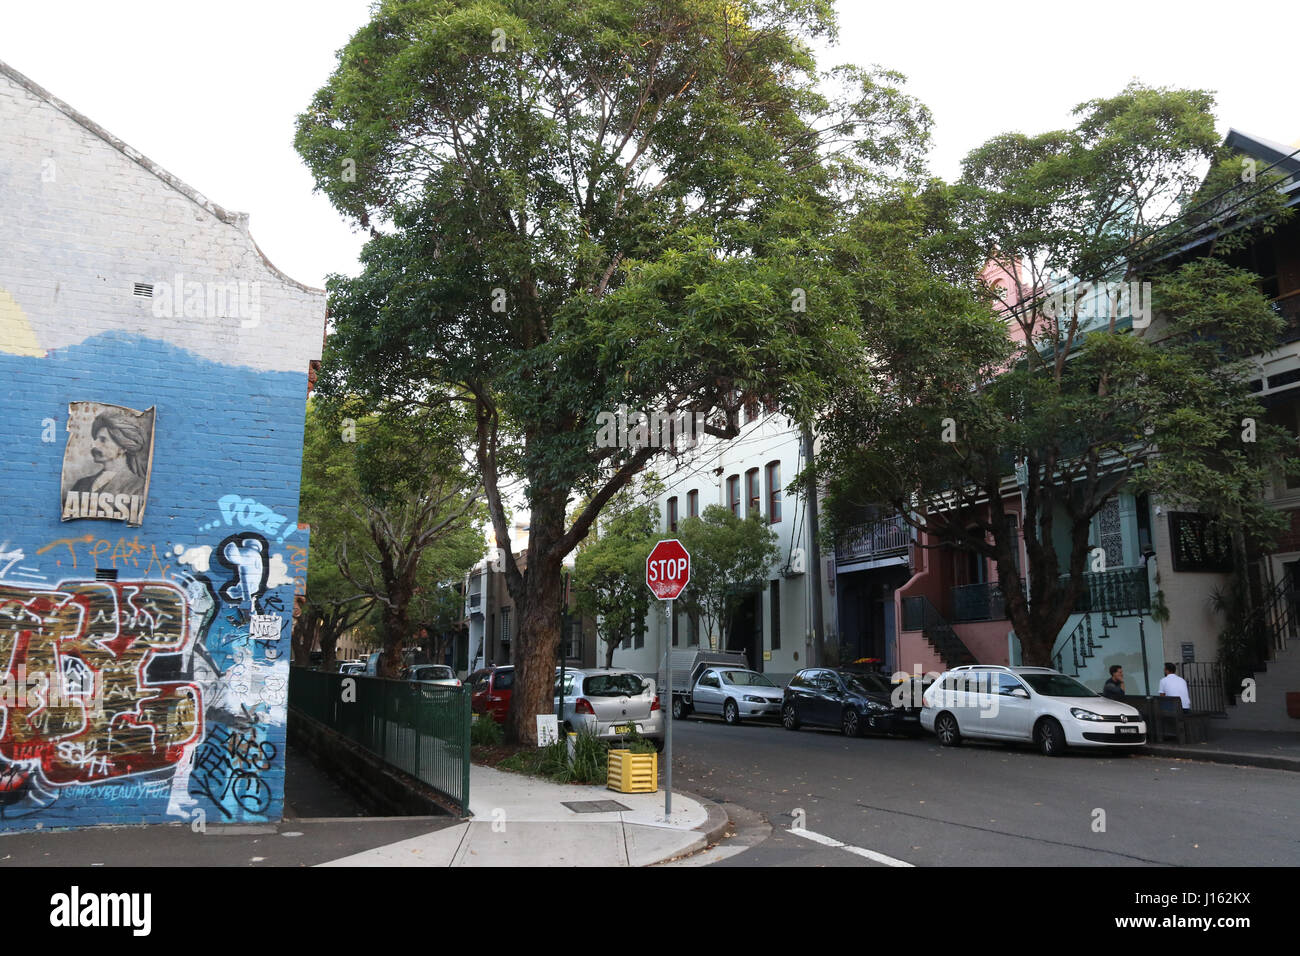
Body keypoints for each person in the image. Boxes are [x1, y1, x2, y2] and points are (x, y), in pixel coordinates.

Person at [72, 408, 150, 497]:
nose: (94, 446)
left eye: (103, 440)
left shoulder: (138, 487)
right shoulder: (81, 484)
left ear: (123, 447)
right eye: (95, 440)